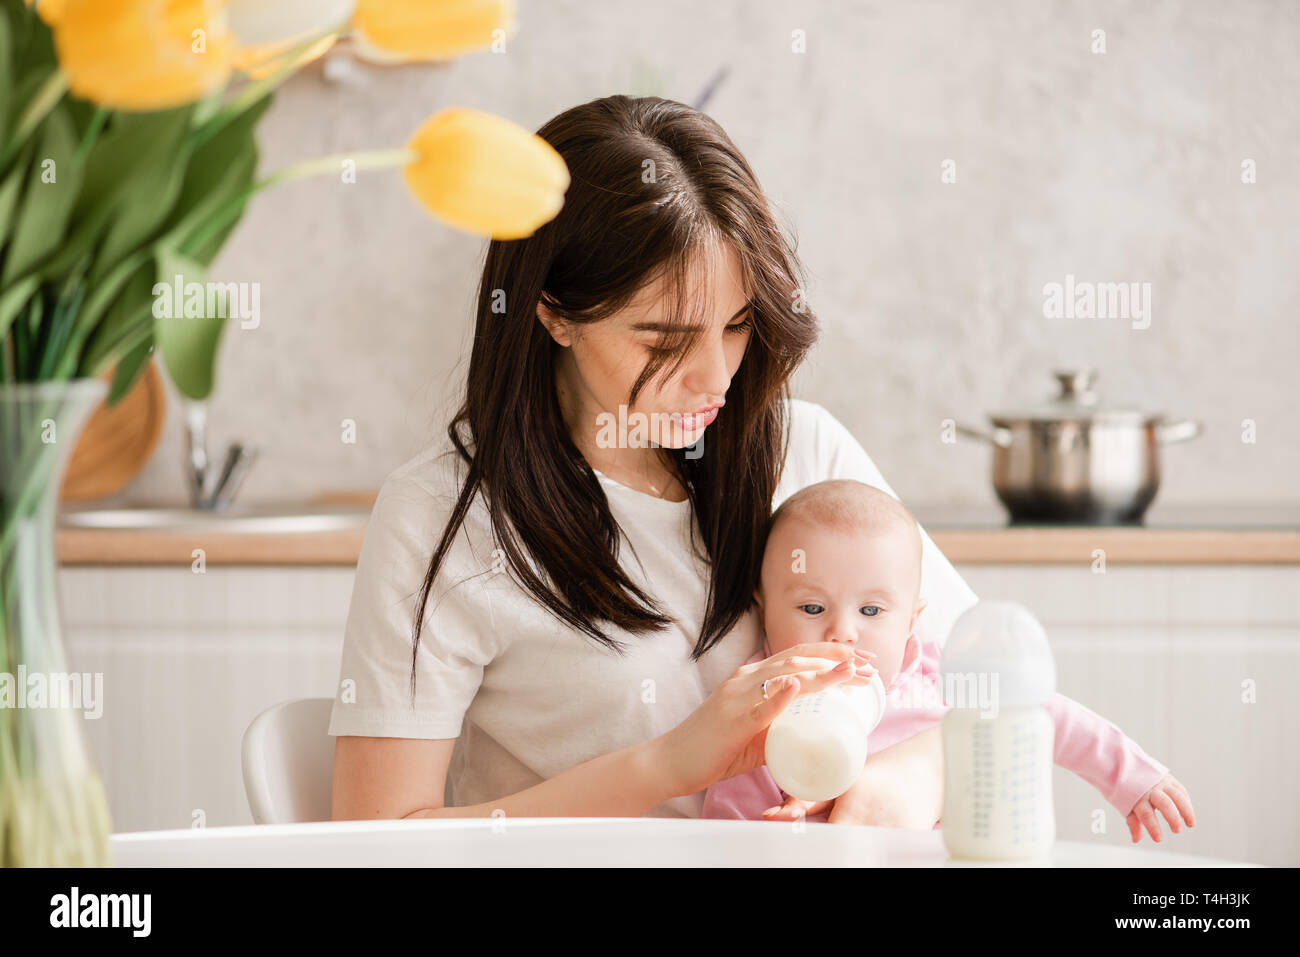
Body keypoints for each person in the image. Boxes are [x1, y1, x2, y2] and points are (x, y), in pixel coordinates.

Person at [329, 94, 972, 824]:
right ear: (553, 312)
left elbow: (998, 697)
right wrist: (663, 765)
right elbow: (375, 838)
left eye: (735, 326)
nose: (716, 378)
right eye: (663, 340)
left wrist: (890, 788)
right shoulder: (443, 516)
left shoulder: (805, 453)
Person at [701, 480, 1196, 843]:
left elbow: (1038, 711)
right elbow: (725, 827)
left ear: (912, 620)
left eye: (872, 611)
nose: (842, 632)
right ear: (762, 605)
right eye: (812, 608)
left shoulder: (941, 679)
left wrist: (1130, 778)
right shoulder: (759, 703)